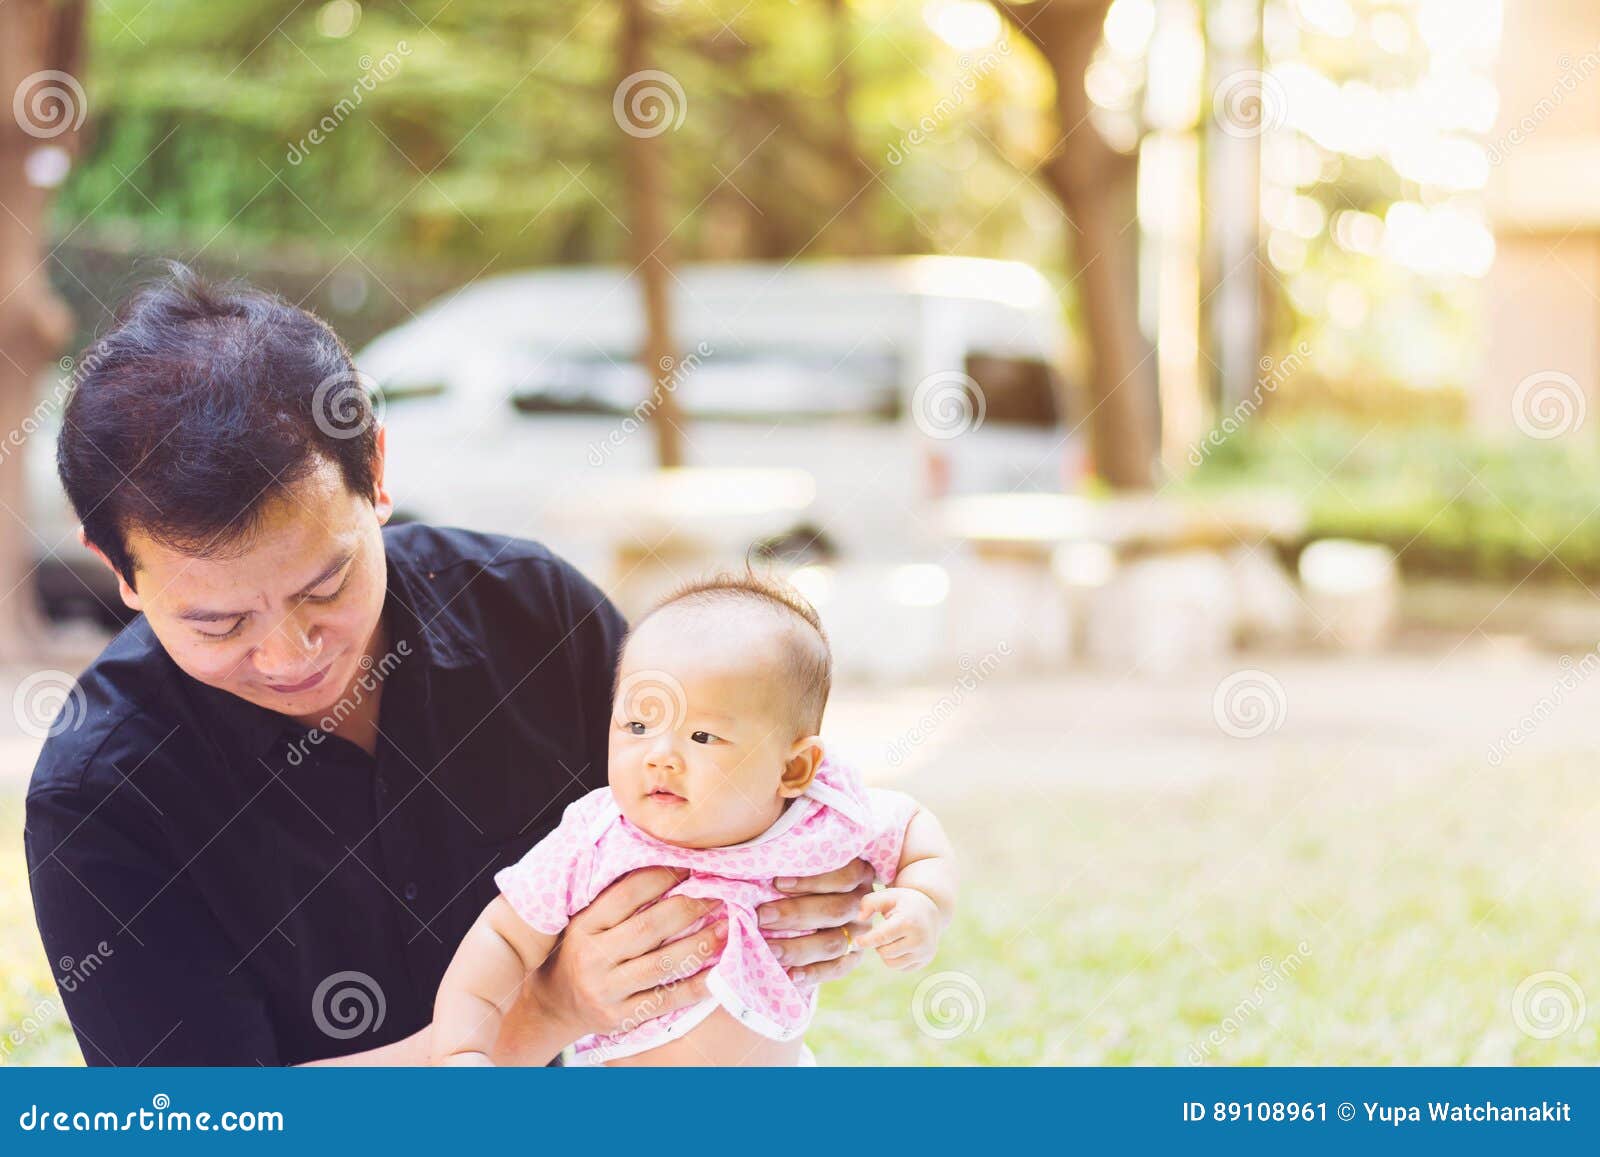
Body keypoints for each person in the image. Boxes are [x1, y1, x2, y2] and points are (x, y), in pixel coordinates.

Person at [24, 264, 880, 1066]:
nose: (290, 653)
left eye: (328, 584)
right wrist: (548, 1008)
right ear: (116, 567)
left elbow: (740, 796)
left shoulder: (535, 611)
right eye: (219, 621)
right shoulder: (101, 798)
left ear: (379, 475)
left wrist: (820, 886)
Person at [431, 574, 958, 1066]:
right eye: (638, 725)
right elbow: (501, 937)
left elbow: (913, 830)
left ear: (793, 767)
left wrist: (924, 902)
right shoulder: (595, 839)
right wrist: (462, 1053)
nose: (660, 756)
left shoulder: (821, 817)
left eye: (702, 737)